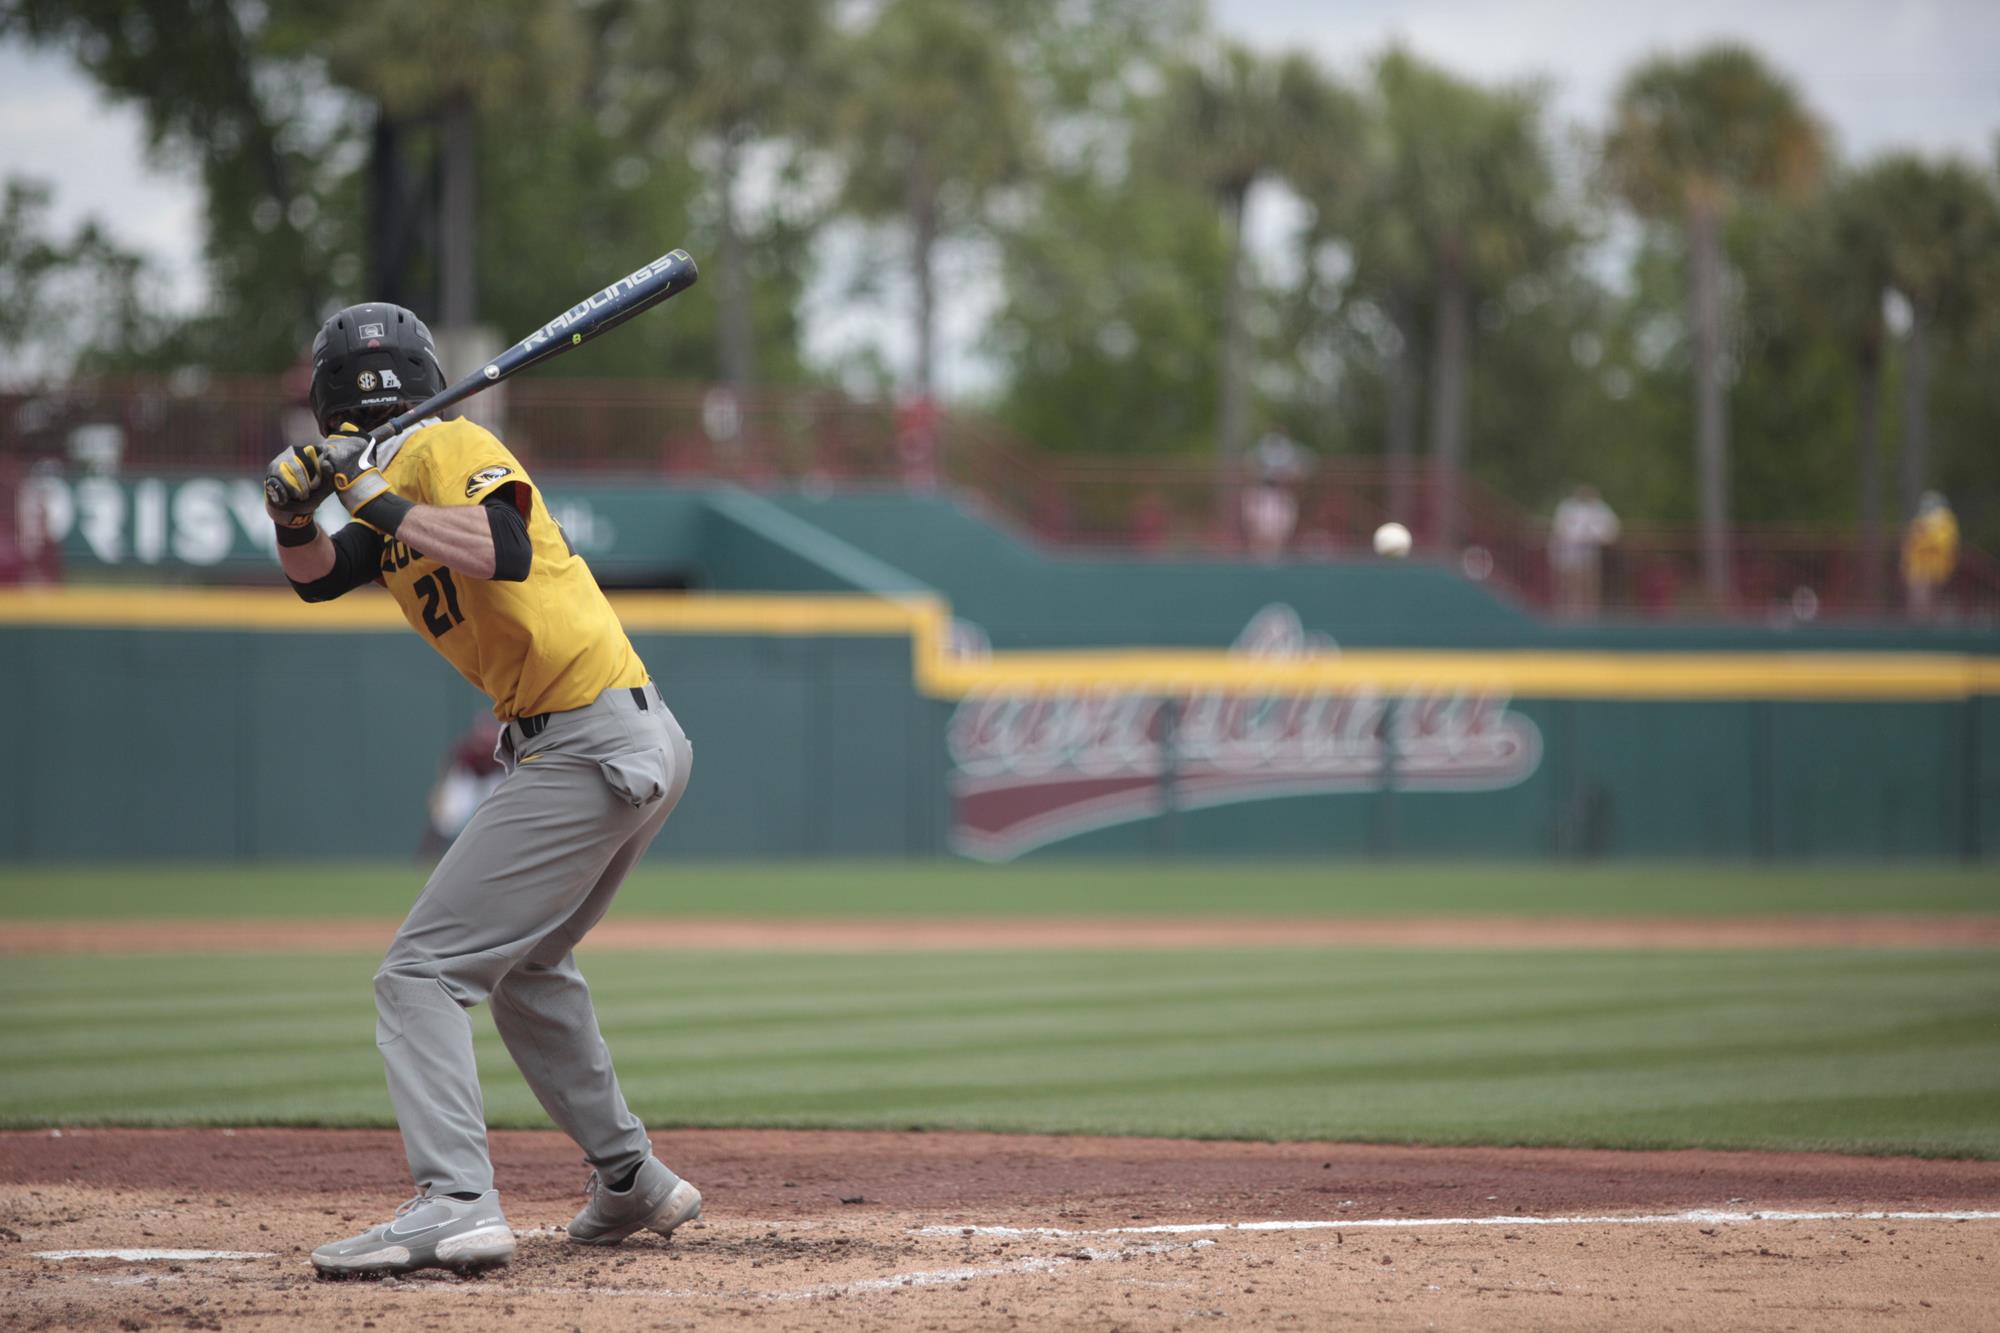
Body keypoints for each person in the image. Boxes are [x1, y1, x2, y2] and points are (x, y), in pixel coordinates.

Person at [262, 303, 700, 1279]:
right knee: (530, 969)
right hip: (619, 737)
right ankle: (630, 1175)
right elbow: (321, 575)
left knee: (417, 973)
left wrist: (366, 492)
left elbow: (498, 544)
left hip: (587, 739)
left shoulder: (450, 441)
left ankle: (455, 1201)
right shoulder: (400, 477)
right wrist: (293, 511)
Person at [1549, 485, 1621, 617]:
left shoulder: (1600, 508)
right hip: (1569, 553)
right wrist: (1577, 537)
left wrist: (1595, 537)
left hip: (1589, 552)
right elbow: (1561, 527)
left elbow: (1611, 529)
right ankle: (1568, 608)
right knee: (1569, 581)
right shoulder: (1567, 507)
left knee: (1589, 581)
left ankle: (1589, 611)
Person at [1901, 491, 1958, 622]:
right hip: (1918, 565)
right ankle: (1920, 620)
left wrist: (1923, 541)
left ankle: (1928, 620)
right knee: (1919, 594)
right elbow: (1910, 541)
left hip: (1935, 565)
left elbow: (1943, 542)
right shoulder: (1920, 520)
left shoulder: (1945, 520)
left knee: (1929, 593)